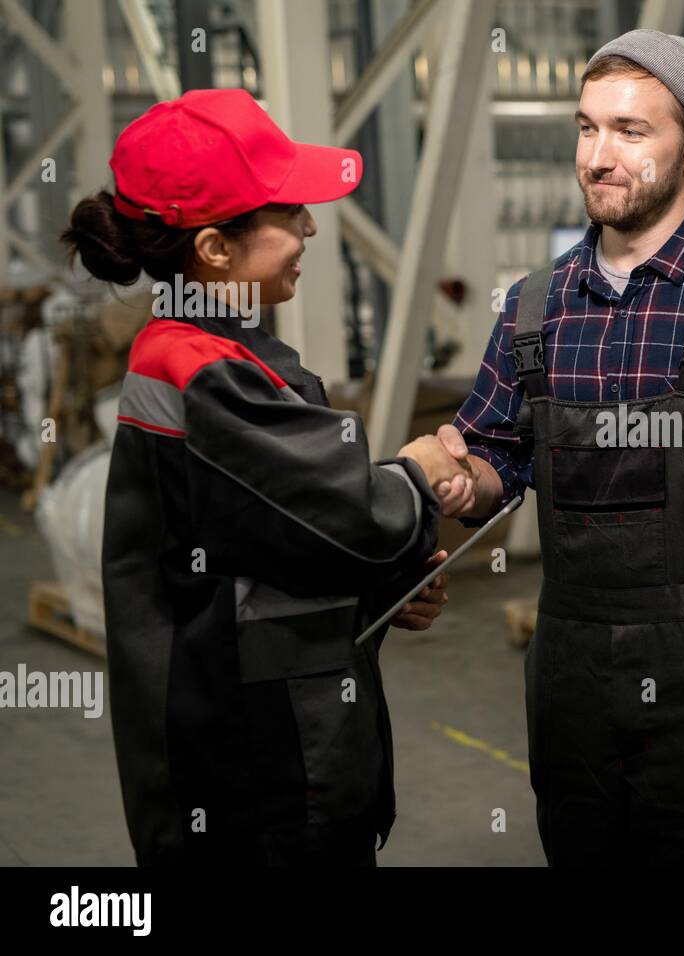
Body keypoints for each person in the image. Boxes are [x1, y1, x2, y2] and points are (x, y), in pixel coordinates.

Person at [423, 29, 684, 865]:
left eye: (630, 131)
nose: (598, 156)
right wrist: (449, 477)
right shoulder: (532, 306)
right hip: (570, 685)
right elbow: (492, 467)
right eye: (587, 128)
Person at [61, 89, 461, 866]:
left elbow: (258, 535)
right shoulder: (204, 371)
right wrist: (418, 474)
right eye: (288, 213)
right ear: (213, 249)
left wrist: (380, 589)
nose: (311, 226)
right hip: (256, 766)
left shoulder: (211, 351)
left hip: (256, 731)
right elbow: (348, 515)